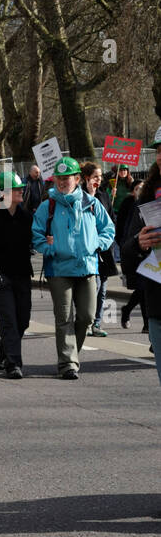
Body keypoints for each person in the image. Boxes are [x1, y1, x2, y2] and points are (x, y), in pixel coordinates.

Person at [31, 157, 115, 380]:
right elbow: (36, 233)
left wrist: (97, 244)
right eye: (59, 178)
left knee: (87, 317)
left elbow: (108, 229)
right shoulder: (46, 205)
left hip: (87, 267)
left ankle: (71, 354)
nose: (62, 182)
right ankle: (68, 363)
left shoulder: (91, 203)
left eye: (66, 178)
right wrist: (48, 249)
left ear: (77, 179)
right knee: (64, 317)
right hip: (58, 269)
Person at [0, 170, 32, 378]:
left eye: (20, 188)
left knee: (23, 320)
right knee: (9, 320)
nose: (20, 191)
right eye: (16, 189)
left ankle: (4, 346)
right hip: (0, 279)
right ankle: (13, 363)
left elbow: (35, 241)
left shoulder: (27, 218)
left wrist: (47, 241)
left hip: (22, 276)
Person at [118, 158, 161, 377]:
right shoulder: (146, 198)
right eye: (160, 151)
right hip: (158, 301)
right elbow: (127, 248)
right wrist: (139, 242)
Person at [78, 163, 118, 336]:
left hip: (103, 251)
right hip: (87, 251)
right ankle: (85, 321)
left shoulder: (104, 195)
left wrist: (107, 237)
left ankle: (97, 323)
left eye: (100, 176)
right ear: (87, 178)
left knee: (102, 290)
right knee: (91, 288)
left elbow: (111, 219)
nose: (99, 180)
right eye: (96, 177)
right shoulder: (78, 196)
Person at [119, 178, 147, 331]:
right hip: (134, 252)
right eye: (138, 188)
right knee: (142, 287)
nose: (141, 191)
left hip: (149, 252)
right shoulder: (130, 204)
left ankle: (130, 311)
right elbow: (123, 228)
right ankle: (147, 324)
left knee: (143, 288)